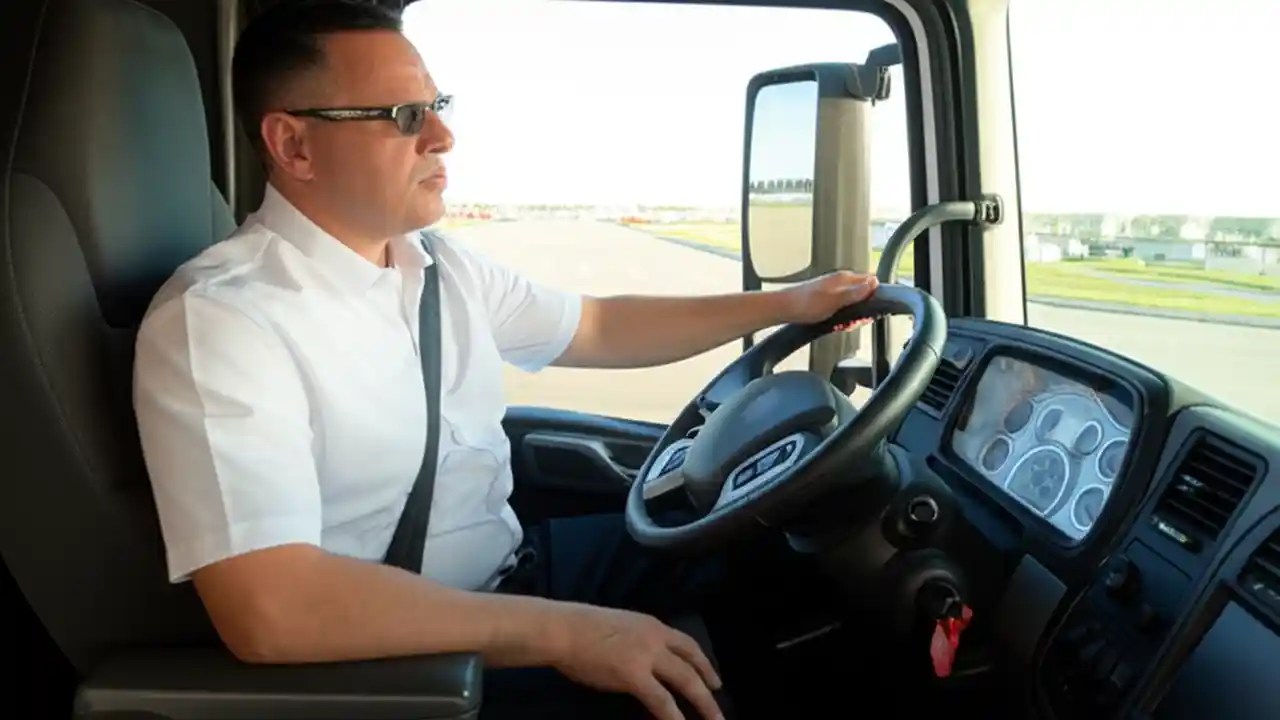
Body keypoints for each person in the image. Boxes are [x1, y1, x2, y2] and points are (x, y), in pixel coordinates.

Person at [131, 1, 880, 719]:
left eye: (437, 104)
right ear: (294, 146)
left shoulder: (438, 267)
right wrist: (568, 633)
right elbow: (275, 608)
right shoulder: (224, 321)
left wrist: (789, 305)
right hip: (413, 672)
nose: (442, 137)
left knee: (773, 554)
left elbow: (598, 326)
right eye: (402, 117)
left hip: (509, 583)